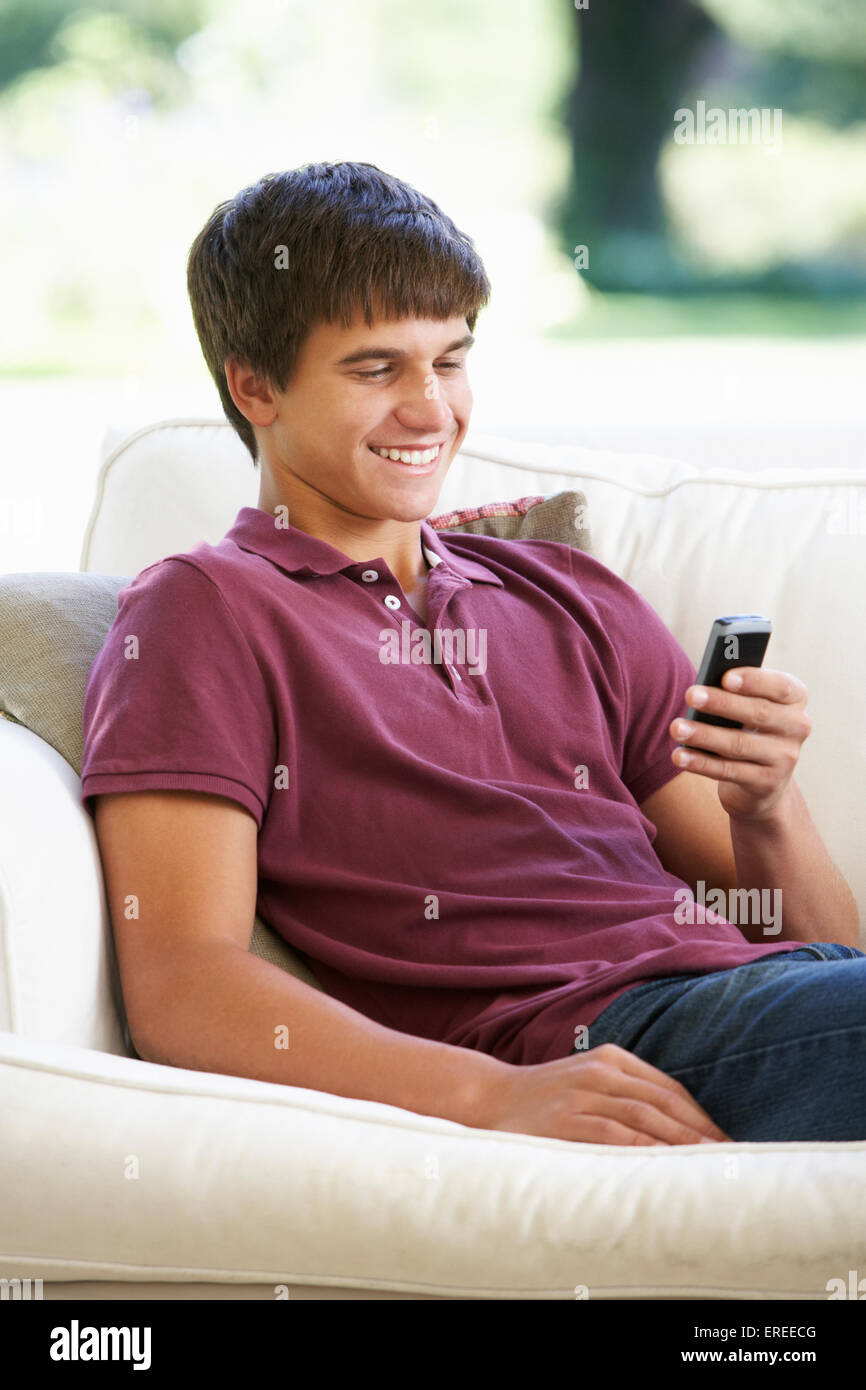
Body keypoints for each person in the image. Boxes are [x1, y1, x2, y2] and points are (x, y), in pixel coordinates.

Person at [81, 161, 864, 1146]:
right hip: (601, 1042)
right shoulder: (207, 609)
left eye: (448, 361)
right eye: (375, 369)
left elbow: (821, 944)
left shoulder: (566, 593)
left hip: (768, 1003)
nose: (428, 409)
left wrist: (764, 804)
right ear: (254, 385)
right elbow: (183, 981)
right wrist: (490, 1096)